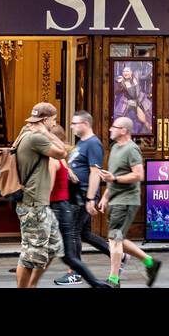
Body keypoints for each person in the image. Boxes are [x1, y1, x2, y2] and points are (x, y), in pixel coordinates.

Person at [97, 116, 162, 287]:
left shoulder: (132, 149)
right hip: (116, 199)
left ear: (124, 130)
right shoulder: (115, 148)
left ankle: (113, 279)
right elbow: (114, 175)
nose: (110, 129)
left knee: (115, 238)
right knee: (118, 238)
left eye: (114, 126)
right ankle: (150, 262)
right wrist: (105, 197)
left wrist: (115, 179)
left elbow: (139, 175)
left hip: (126, 201)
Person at [10, 103, 65, 288]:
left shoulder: (25, 133)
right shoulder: (35, 138)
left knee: (53, 245)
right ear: (45, 120)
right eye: (53, 120)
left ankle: (32, 285)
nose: (54, 124)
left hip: (37, 203)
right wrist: (47, 133)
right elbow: (62, 151)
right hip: (34, 204)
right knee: (29, 254)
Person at [56, 110, 113, 286]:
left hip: (82, 194)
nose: (71, 126)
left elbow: (95, 172)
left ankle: (74, 273)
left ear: (86, 124)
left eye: (75, 123)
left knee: (72, 233)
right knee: (84, 233)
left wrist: (90, 199)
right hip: (77, 193)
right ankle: (118, 255)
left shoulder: (93, 144)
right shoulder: (82, 143)